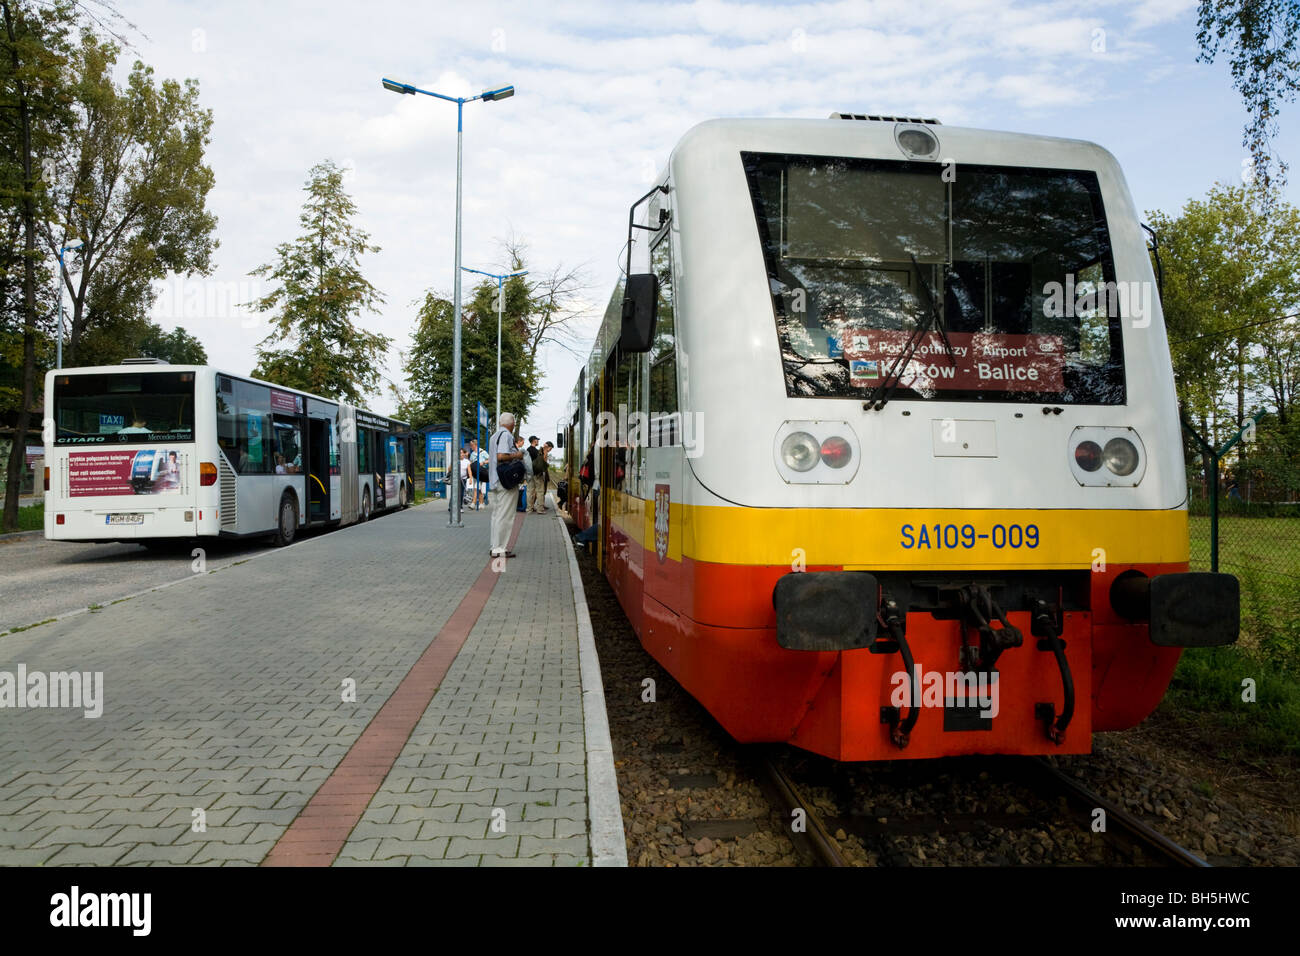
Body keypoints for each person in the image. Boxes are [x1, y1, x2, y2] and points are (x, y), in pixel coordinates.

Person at [489, 413, 523, 557]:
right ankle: (499, 548)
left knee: (497, 515)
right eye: (514, 422)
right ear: (512, 423)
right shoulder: (506, 436)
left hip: (496, 480)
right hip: (505, 482)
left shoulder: (494, 436)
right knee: (505, 515)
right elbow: (501, 456)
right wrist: (518, 455)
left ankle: (495, 546)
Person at [524, 436, 546, 514]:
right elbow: (542, 461)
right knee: (540, 491)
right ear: (534, 441)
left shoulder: (527, 450)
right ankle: (540, 509)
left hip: (530, 474)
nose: (538, 441)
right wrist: (545, 451)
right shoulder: (537, 451)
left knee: (529, 491)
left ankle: (529, 509)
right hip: (537, 474)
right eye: (537, 440)